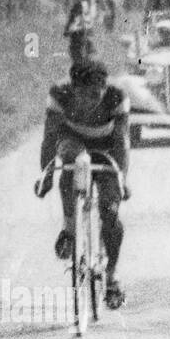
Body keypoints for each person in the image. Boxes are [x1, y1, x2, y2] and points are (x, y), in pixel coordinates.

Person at [36, 59, 132, 309]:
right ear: (72, 88)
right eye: (83, 95)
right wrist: (45, 175)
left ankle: (111, 275)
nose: (89, 101)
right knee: (74, 163)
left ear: (104, 88)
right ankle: (70, 228)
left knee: (111, 213)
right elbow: (50, 138)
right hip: (73, 142)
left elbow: (122, 141)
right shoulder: (59, 94)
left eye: (95, 95)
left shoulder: (117, 96)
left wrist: (122, 178)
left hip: (108, 147)